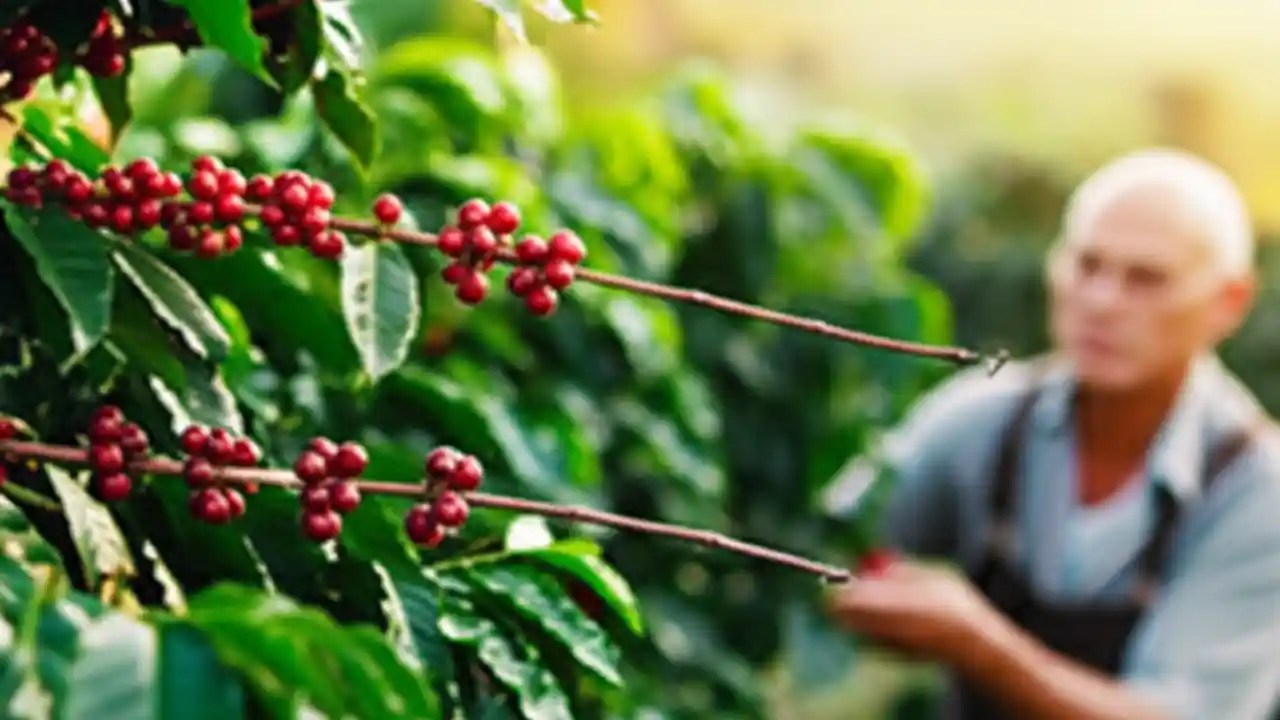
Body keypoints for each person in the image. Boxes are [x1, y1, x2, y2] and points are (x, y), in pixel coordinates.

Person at [825, 149, 1280, 720]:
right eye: (1087, 265)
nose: (1101, 301)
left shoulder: (1255, 493)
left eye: (1146, 279)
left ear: (1229, 302)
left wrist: (979, 644)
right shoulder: (979, 421)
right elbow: (835, 536)